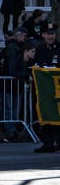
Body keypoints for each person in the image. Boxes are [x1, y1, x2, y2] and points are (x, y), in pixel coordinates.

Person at [33, 23, 60, 153]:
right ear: (43, 35)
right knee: (45, 114)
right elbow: (36, 65)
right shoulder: (39, 49)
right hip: (45, 90)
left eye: (52, 33)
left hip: (58, 89)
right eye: (48, 34)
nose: (50, 36)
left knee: (58, 114)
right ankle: (48, 143)